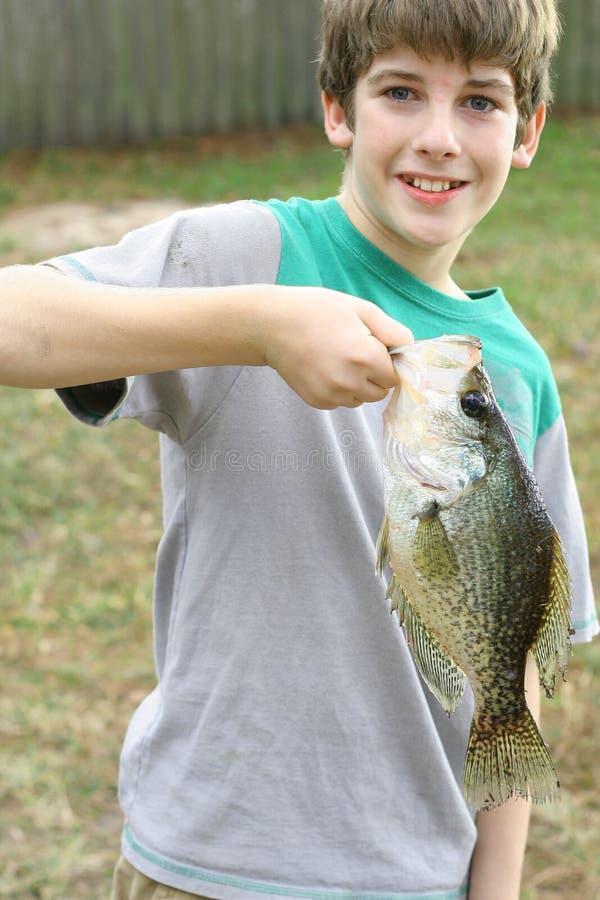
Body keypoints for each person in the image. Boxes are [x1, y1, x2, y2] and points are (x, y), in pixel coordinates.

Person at [0, 0, 597, 897]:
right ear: (337, 108)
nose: (439, 136)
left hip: (420, 874)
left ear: (528, 131)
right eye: (401, 91)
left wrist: (497, 887)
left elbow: (516, 663)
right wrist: (259, 323)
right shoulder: (247, 253)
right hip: (208, 861)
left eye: (480, 102)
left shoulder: (514, 372)